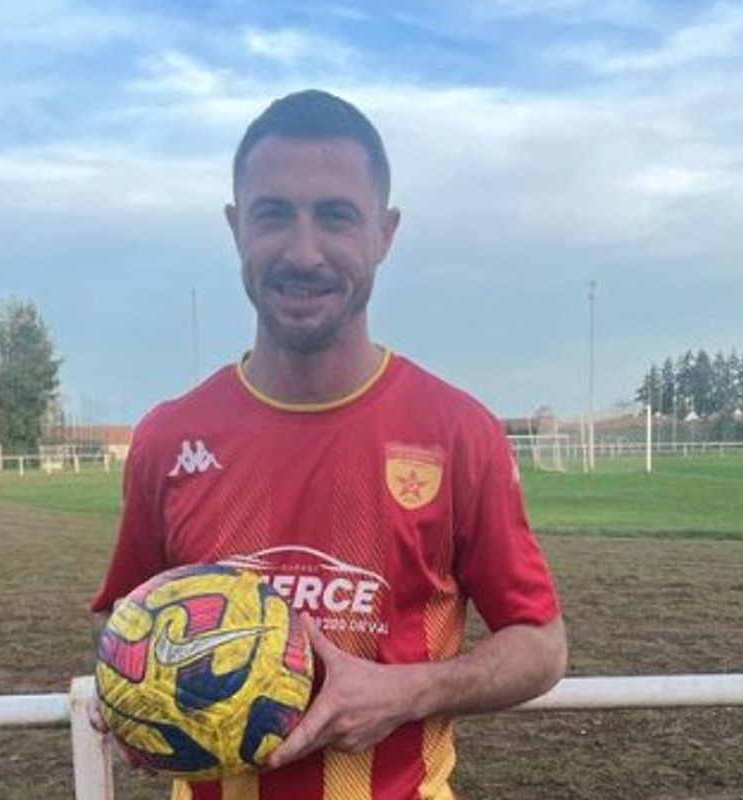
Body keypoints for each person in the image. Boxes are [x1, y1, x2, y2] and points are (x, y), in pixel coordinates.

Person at [91, 89, 567, 800]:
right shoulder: (170, 436)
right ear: (235, 228)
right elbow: (123, 619)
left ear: (385, 232)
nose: (303, 251)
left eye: (336, 217)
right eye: (273, 214)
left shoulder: (456, 431)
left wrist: (404, 692)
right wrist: (142, 700)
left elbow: (540, 646)